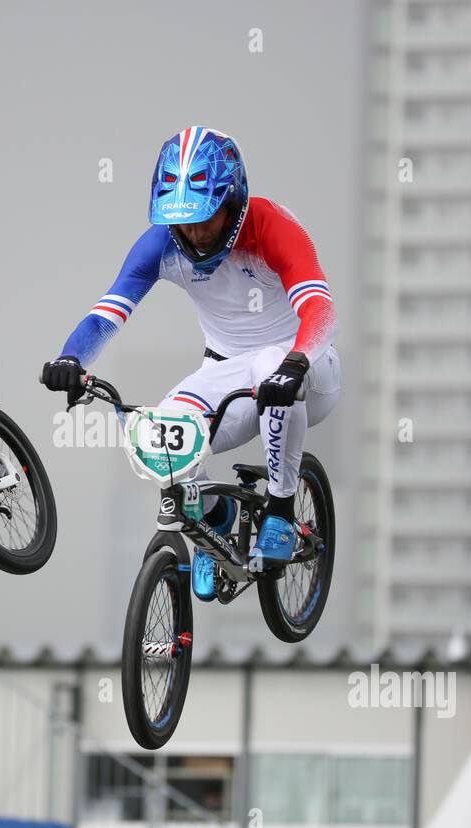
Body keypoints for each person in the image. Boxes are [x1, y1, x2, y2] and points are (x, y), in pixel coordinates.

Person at [41, 126, 341, 600]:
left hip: (307, 370)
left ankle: (282, 511)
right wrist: (71, 358)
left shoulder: (270, 226)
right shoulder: (160, 243)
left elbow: (320, 308)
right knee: (160, 433)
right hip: (226, 370)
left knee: (268, 362)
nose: (196, 233)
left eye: (206, 217)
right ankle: (212, 527)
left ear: (234, 201)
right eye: (182, 221)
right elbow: (108, 313)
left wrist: (297, 362)